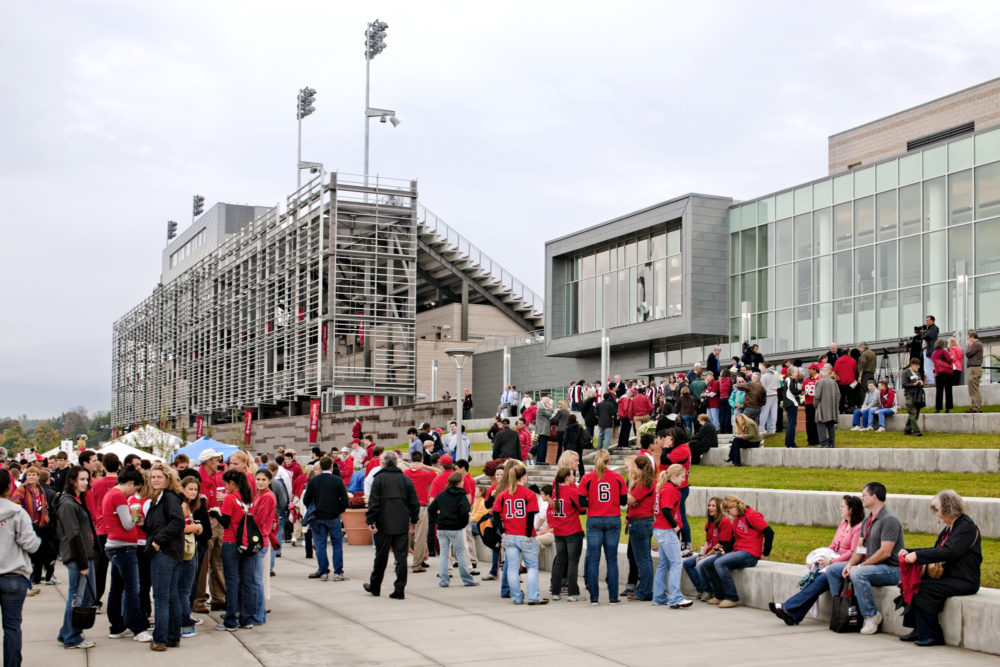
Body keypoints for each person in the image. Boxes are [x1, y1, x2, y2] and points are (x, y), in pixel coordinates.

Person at [898, 490, 981, 646]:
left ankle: (932, 634)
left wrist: (917, 556)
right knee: (915, 584)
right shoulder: (950, 527)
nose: (937, 515)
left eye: (938, 510)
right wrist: (911, 552)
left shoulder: (966, 527)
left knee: (923, 589)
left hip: (964, 580)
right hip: (950, 578)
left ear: (949, 508)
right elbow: (936, 548)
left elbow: (949, 551)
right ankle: (919, 630)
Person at [769, 495, 864, 625]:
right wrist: (819, 559)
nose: (840, 509)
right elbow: (833, 545)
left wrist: (831, 562)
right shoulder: (843, 524)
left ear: (852, 509)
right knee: (816, 578)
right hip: (833, 561)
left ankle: (787, 607)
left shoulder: (858, 528)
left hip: (847, 564)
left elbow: (853, 552)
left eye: (843, 506)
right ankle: (794, 616)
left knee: (821, 580)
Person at [826, 482, 904, 635]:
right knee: (834, 569)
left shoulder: (889, 520)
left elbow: (885, 552)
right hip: (874, 567)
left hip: (892, 569)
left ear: (874, 497)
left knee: (858, 573)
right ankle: (841, 610)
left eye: (864, 495)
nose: (861, 498)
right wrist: (850, 564)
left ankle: (871, 615)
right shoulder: (867, 521)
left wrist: (859, 567)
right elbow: (860, 549)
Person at [102, 467, 153, 643]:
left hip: (115, 545)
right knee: (132, 588)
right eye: (136, 488)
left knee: (116, 588)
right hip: (123, 547)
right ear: (131, 483)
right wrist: (136, 518)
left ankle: (117, 626)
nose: (135, 492)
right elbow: (127, 524)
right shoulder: (119, 496)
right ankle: (137, 627)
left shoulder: (110, 494)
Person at [363, 451, 419, 600]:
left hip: (383, 523)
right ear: (395, 462)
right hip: (401, 523)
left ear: (383, 463)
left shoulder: (379, 479)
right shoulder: (405, 479)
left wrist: (370, 521)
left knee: (380, 557)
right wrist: (414, 520)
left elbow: (373, 503)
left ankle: (375, 586)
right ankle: (399, 589)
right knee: (401, 557)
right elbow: (414, 502)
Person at [143, 464, 185, 651]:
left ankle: (160, 639)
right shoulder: (160, 498)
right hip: (171, 551)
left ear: (168, 478)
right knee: (171, 597)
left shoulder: (168, 498)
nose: (155, 480)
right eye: (153, 477)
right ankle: (172, 636)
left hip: (166, 552)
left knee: (162, 597)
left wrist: (158, 540)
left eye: (159, 476)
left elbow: (178, 521)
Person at [0, 468, 40, 666]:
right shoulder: (18, 513)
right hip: (13, 574)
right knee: (12, 626)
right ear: (9, 488)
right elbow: (31, 544)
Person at [57, 465, 99, 649]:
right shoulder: (68, 503)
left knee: (82, 596)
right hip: (77, 556)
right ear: (72, 480)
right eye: (82, 479)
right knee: (77, 599)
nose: (85, 483)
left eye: (87, 479)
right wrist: (83, 562)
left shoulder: (74, 500)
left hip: (83, 554)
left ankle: (66, 633)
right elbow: (73, 534)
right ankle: (72, 636)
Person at [492, 462, 547, 605]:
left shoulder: (504, 494)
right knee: (532, 566)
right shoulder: (529, 494)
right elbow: (529, 516)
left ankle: (516, 597)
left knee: (512, 568)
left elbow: (496, 514)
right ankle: (533, 596)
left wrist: (502, 531)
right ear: (523, 477)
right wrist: (529, 533)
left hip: (510, 535)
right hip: (525, 535)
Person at [706, 495, 773, 608]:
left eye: (728, 511)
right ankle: (719, 595)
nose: (729, 514)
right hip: (738, 551)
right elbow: (734, 538)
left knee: (719, 563)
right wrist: (723, 550)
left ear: (734, 507)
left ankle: (732, 597)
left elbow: (769, 532)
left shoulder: (752, 515)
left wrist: (765, 553)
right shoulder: (737, 519)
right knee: (708, 563)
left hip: (750, 554)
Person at [578, 450, 627, 605]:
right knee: (612, 559)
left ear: (595, 461)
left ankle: (594, 597)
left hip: (594, 519)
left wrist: (592, 502)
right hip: (613, 518)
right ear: (609, 462)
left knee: (593, 559)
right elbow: (624, 500)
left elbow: (582, 502)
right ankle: (613, 597)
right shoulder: (618, 477)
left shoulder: (587, 478)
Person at [211, 470, 256, 631]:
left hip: (231, 542)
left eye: (226, 483)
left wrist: (216, 513)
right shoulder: (248, 500)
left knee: (232, 582)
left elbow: (225, 521)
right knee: (246, 582)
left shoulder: (230, 499)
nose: (224, 486)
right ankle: (246, 618)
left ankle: (230, 620)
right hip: (247, 544)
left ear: (231, 483)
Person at [651, 464, 693, 608]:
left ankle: (658, 596)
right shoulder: (669, 489)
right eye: (682, 477)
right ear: (674, 476)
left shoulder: (663, 488)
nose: (683, 480)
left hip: (660, 530)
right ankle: (675, 598)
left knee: (664, 563)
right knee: (676, 563)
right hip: (666, 530)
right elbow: (666, 509)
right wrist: (675, 525)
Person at [303, 456, 349, 582]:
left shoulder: (314, 481)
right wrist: (338, 510)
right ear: (331, 466)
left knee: (320, 545)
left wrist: (313, 507)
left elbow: (306, 499)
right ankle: (338, 572)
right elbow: (345, 501)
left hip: (318, 516)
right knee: (337, 545)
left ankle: (323, 571)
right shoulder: (337, 481)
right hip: (333, 516)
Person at [428, 472, 477, 588]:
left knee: (444, 554)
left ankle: (444, 580)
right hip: (456, 527)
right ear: (460, 482)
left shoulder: (442, 495)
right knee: (460, 553)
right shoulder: (461, 496)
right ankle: (467, 579)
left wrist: (437, 520)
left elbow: (431, 509)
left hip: (442, 527)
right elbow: (465, 512)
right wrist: (462, 524)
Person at [8, 467, 48, 597]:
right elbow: (15, 503)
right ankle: (27, 585)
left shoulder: (40, 490)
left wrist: (45, 518)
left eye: (34, 475)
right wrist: (22, 517)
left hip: (38, 524)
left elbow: (45, 506)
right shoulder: (22, 489)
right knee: (27, 557)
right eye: (29, 475)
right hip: (26, 524)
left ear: (37, 476)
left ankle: (30, 583)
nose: (31, 477)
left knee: (36, 556)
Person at [682, 497, 732, 602]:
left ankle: (707, 591)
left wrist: (706, 556)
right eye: (709, 505)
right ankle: (700, 590)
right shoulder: (709, 522)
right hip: (710, 551)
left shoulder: (725, 522)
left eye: (713, 506)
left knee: (701, 563)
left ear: (719, 508)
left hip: (720, 552)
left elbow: (722, 544)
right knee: (687, 563)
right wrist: (704, 549)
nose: (710, 508)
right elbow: (708, 539)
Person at [194, 449, 225, 613]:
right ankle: (198, 599)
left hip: (215, 519)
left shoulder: (212, 477)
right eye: (215, 459)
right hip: (207, 521)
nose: (218, 462)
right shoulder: (200, 479)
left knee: (216, 560)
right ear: (208, 462)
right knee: (204, 562)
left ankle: (219, 597)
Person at [177, 474, 207, 638]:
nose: (194, 492)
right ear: (182, 489)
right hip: (185, 551)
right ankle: (185, 622)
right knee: (184, 589)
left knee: (184, 589)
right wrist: (196, 527)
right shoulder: (182, 505)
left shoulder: (188, 505)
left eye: (196, 489)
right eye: (190, 489)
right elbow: (181, 526)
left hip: (187, 549)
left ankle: (184, 619)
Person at [547, 466, 583, 601]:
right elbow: (582, 508)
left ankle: (555, 591)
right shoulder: (571, 491)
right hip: (572, 530)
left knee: (560, 561)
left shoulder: (555, 491)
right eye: (572, 475)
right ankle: (573, 593)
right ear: (567, 478)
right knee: (573, 562)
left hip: (559, 531)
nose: (574, 478)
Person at [625, 456, 656, 602]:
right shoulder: (650, 481)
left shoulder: (643, 482)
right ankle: (645, 589)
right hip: (646, 521)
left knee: (642, 559)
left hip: (640, 522)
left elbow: (631, 500)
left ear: (640, 468)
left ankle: (644, 591)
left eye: (635, 468)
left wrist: (627, 496)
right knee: (645, 559)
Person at [660, 426, 692, 555]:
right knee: (676, 516)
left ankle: (686, 545)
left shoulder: (682, 450)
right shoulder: (680, 448)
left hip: (680, 488)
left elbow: (664, 459)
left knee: (681, 517)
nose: (669, 440)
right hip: (676, 487)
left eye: (671, 438)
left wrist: (665, 447)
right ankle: (677, 544)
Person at [403, 452, 435, 573]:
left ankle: (400, 561)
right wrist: (425, 467)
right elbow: (440, 472)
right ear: (421, 460)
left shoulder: (405, 474)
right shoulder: (424, 474)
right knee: (420, 537)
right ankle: (417, 564)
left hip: (406, 507)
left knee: (404, 536)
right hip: (421, 507)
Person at [813, 366, 840, 448]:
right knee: (831, 425)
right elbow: (838, 395)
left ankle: (823, 443)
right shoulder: (834, 382)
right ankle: (831, 443)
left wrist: (815, 404)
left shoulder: (820, 382)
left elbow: (817, 396)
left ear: (821, 374)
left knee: (821, 423)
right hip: (832, 407)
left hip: (822, 407)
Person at [902, 358, 925, 437]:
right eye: (916, 366)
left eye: (918, 366)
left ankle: (907, 429)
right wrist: (913, 384)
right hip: (909, 394)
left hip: (917, 395)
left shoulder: (918, 373)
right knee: (912, 412)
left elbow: (919, 382)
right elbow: (904, 384)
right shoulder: (905, 373)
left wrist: (921, 383)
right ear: (911, 365)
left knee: (917, 412)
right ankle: (916, 431)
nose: (917, 367)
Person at [931, 339, 954, 413]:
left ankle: (938, 408)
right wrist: (952, 357)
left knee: (939, 391)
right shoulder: (945, 352)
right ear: (943, 345)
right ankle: (948, 408)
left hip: (939, 373)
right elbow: (949, 360)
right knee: (948, 390)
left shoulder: (934, 353)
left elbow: (934, 362)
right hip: (947, 373)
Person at [801, 364, 820, 446]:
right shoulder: (807, 380)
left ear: (815, 370)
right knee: (809, 422)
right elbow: (802, 389)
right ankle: (810, 440)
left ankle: (817, 440)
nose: (808, 371)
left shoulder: (820, 378)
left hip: (816, 404)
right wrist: (803, 392)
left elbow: (836, 378)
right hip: (808, 404)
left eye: (810, 369)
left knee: (816, 422)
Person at [964, 331, 983, 412]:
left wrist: (969, 345)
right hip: (973, 369)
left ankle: (976, 407)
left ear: (972, 337)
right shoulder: (977, 344)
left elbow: (968, 353)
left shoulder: (977, 344)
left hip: (974, 369)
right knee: (972, 389)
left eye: (969, 338)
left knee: (974, 389)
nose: (968, 340)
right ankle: (975, 406)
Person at [782, 368, 801, 447]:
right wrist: (800, 391)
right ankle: (791, 442)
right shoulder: (790, 380)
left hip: (789, 403)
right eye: (796, 372)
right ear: (792, 373)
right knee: (792, 423)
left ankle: (788, 442)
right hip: (791, 403)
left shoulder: (788, 380)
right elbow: (793, 391)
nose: (797, 373)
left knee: (791, 423)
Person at [922, 315, 939, 382]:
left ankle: (931, 381)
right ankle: (930, 381)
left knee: (928, 367)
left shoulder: (934, 328)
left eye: (928, 320)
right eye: (926, 320)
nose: (926, 322)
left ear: (932, 321)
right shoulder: (929, 329)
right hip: (929, 350)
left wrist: (923, 334)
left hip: (931, 350)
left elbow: (927, 336)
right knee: (928, 367)